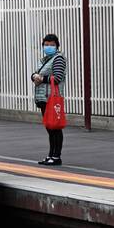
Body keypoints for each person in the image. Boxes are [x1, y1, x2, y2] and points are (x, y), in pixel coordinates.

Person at [31, 33, 67, 165]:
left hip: (51, 98)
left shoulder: (58, 59)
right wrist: (34, 76)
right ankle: (51, 155)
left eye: (52, 45)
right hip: (43, 98)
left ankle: (56, 156)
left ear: (57, 46)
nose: (49, 47)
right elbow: (36, 73)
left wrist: (41, 78)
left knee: (55, 128)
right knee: (49, 128)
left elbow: (57, 78)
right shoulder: (44, 59)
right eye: (46, 44)